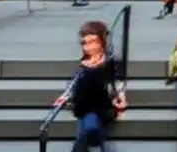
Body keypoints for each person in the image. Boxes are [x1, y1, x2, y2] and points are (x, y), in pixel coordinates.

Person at [54, 20, 127, 152]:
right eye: (85, 43)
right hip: (84, 107)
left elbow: (116, 83)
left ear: (102, 42)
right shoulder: (82, 64)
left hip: (102, 106)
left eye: (93, 42)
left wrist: (121, 97)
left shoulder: (110, 62)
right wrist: (66, 96)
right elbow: (73, 84)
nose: (88, 47)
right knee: (87, 127)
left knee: (89, 128)